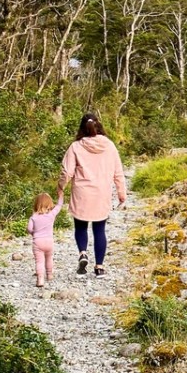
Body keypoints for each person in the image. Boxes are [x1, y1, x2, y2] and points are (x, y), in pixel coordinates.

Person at [58, 113, 126, 277]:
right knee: (99, 229)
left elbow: (67, 172)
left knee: (80, 226)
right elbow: (118, 172)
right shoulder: (109, 146)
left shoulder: (76, 146)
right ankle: (99, 267)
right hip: (102, 192)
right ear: (99, 125)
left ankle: (82, 253)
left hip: (82, 192)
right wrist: (121, 194)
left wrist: (60, 187)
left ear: (82, 128)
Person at [27, 192, 62, 287]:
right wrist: (60, 195)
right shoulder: (51, 215)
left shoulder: (33, 217)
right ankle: (50, 275)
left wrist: (34, 233)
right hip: (49, 241)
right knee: (49, 258)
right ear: (50, 204)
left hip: (38, 242)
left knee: (39, 261)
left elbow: (29, 229)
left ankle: (40, 279)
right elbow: (59, 206)